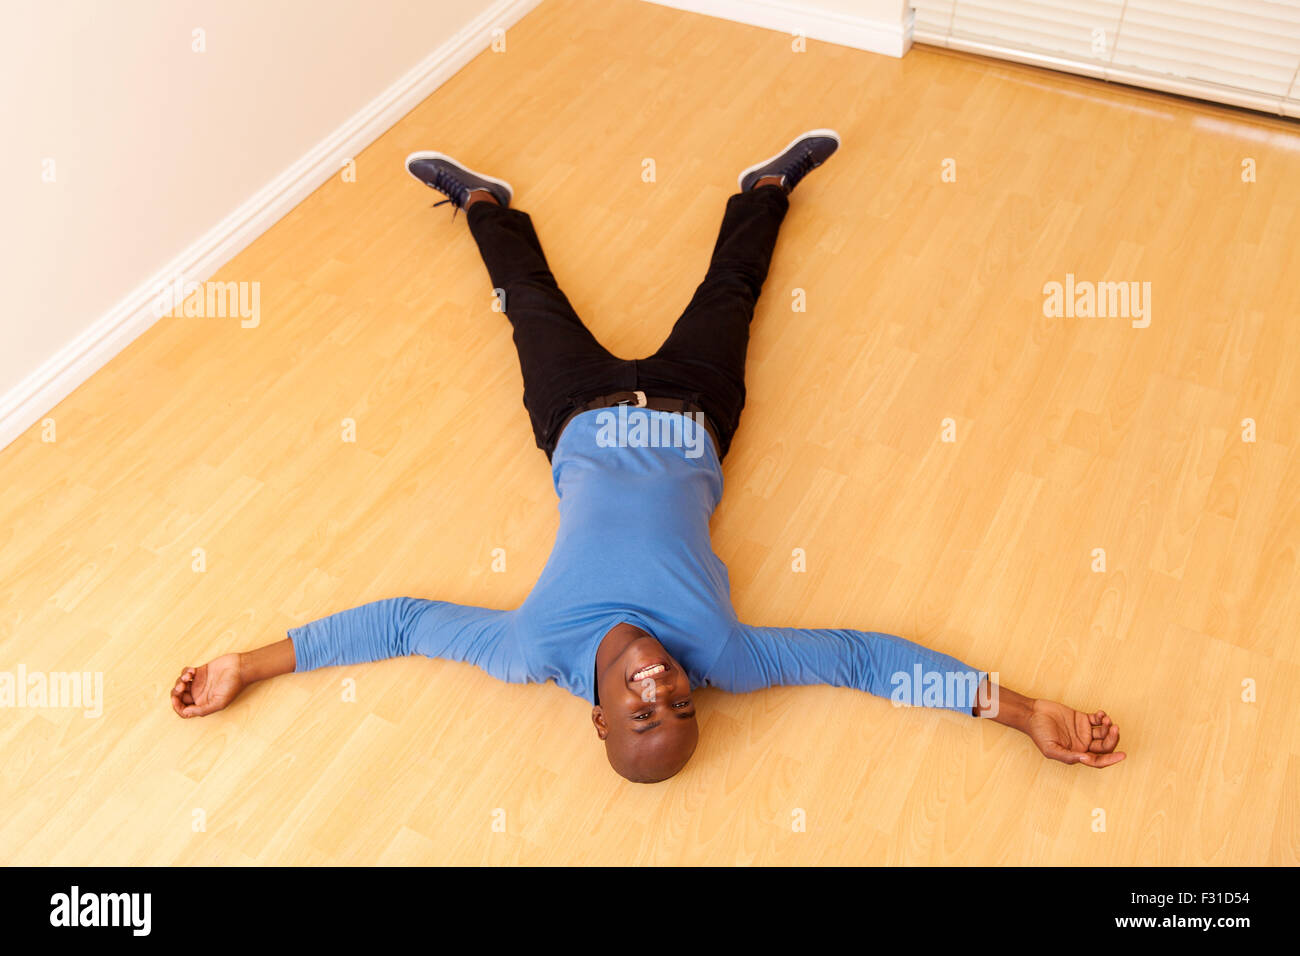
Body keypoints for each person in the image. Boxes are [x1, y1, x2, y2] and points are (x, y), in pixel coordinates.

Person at [171, 130, 1125, 783]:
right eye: (680, 708)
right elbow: (868, 662)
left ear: (597, 718)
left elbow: (400, 624)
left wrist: (247, 668)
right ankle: (765, 189)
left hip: (576, 412)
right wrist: (1024, 711)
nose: (662, 688)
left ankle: (482, 204)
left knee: (524, 297)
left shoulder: (531, 650)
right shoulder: (726, 655)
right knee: (736, 290)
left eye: (641, 716)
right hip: (692, 411)